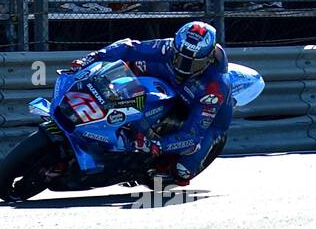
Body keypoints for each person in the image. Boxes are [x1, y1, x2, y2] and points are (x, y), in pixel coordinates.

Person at [69, 22, 232, 187]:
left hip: (203, 117)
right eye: (180, 58)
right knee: (132, 64)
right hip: (168, 82)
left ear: (208, 59)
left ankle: (150, 163)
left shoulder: (214, 88)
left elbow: (192, 136)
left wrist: (156, 145)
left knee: (182, 172)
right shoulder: (166, 47)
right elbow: (129, 47)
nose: (184, 67)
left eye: (192, 63)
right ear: (174, 48)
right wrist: (91, 58)